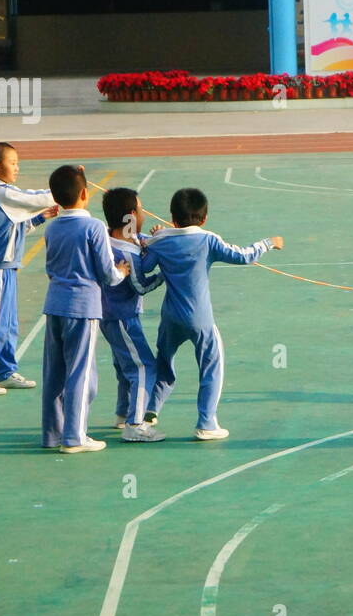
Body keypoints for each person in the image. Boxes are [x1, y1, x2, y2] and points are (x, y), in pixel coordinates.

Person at [138, 188, 282, 441]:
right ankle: (206, 422)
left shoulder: (160, 241)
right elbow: (242, 256)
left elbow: (145, 265)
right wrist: (268, 243)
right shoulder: (208, 239)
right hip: (199, 318)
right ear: (203, 218)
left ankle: (150, 412)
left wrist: (150, 241)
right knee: (211, 366)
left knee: (163, 364)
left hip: (170, 316)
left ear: (172, 216)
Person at [40, 165, 130, 454]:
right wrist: (122, 272)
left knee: (54, 372)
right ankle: (75, 436)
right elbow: (106, 273)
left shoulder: (53, 227)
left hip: (54, 303)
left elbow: (50, 267)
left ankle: (52, 433)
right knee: (80, 372)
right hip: (82, 306)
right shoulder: (93, 227)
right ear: (84, 193)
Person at [0, 142, 57, 395]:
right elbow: (34, 198)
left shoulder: (5, 194)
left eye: (18, 162)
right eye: (12, 163)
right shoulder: (1, 193)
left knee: (10, 322)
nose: (17, 167)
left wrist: (41, 217)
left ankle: (5, 370)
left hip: (9, 267)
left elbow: (18, 227)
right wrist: (65, 187)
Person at [100, 187, 165, 443]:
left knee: (123, 365)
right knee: (143, 366)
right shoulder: (126, 253)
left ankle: (122, 413)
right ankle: (135, 423)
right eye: (140, 210)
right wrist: (162, 276)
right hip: (122, 316)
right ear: (130, 215)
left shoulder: (112, 240)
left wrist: (152, 241)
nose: (144, 214)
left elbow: (138, 241)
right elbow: (140, 286)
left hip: (108, 315)